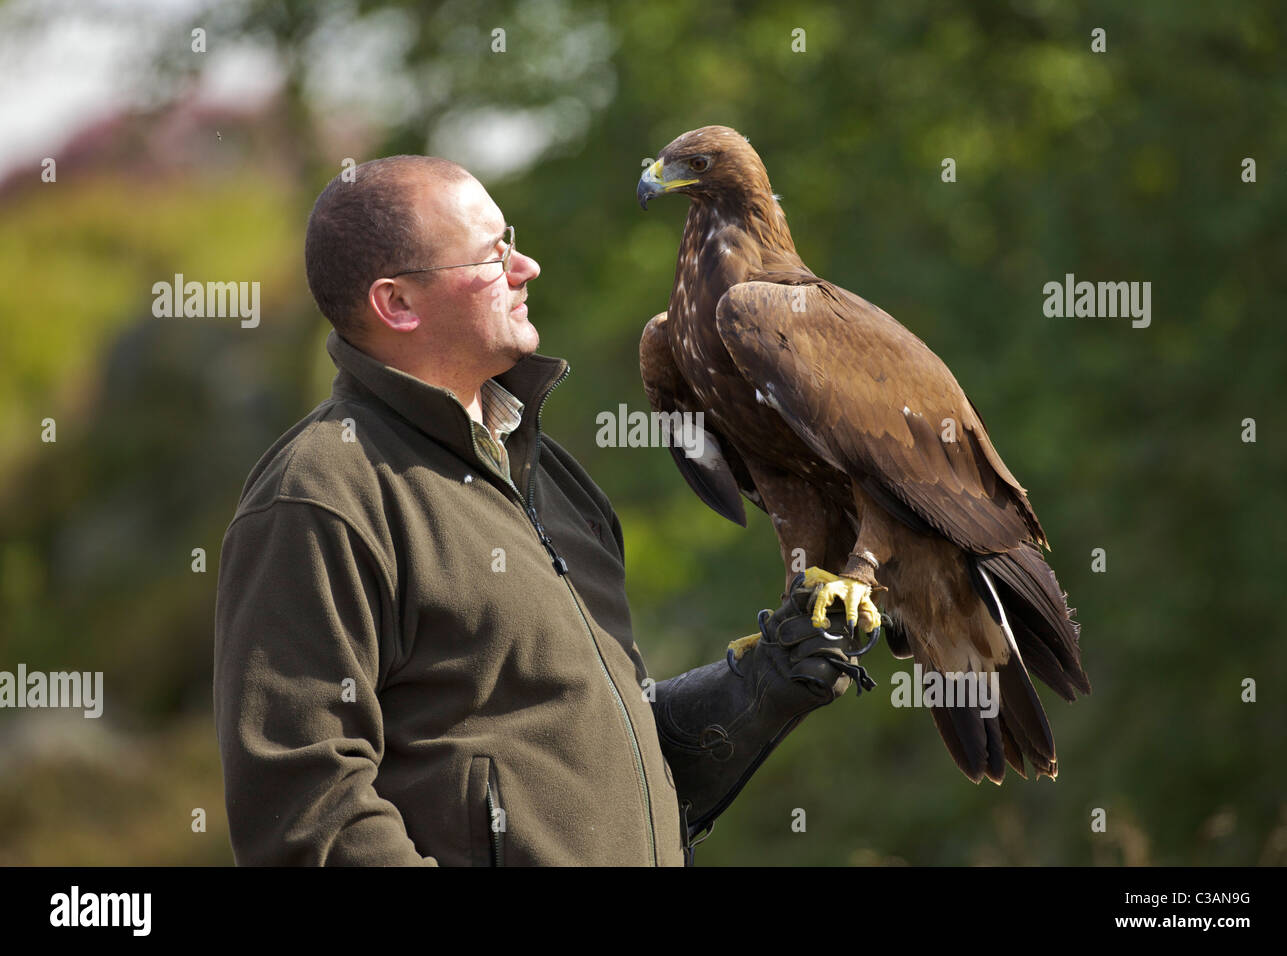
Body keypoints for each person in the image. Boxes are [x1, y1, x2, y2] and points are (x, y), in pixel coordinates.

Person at [213, 155, 868, 866]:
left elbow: (593, 766)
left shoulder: (554, 478)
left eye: (511, 240)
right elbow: (307, 817)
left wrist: (761, 689)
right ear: (397, 304)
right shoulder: (320, 496)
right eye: (491, 256)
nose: (526, 268)